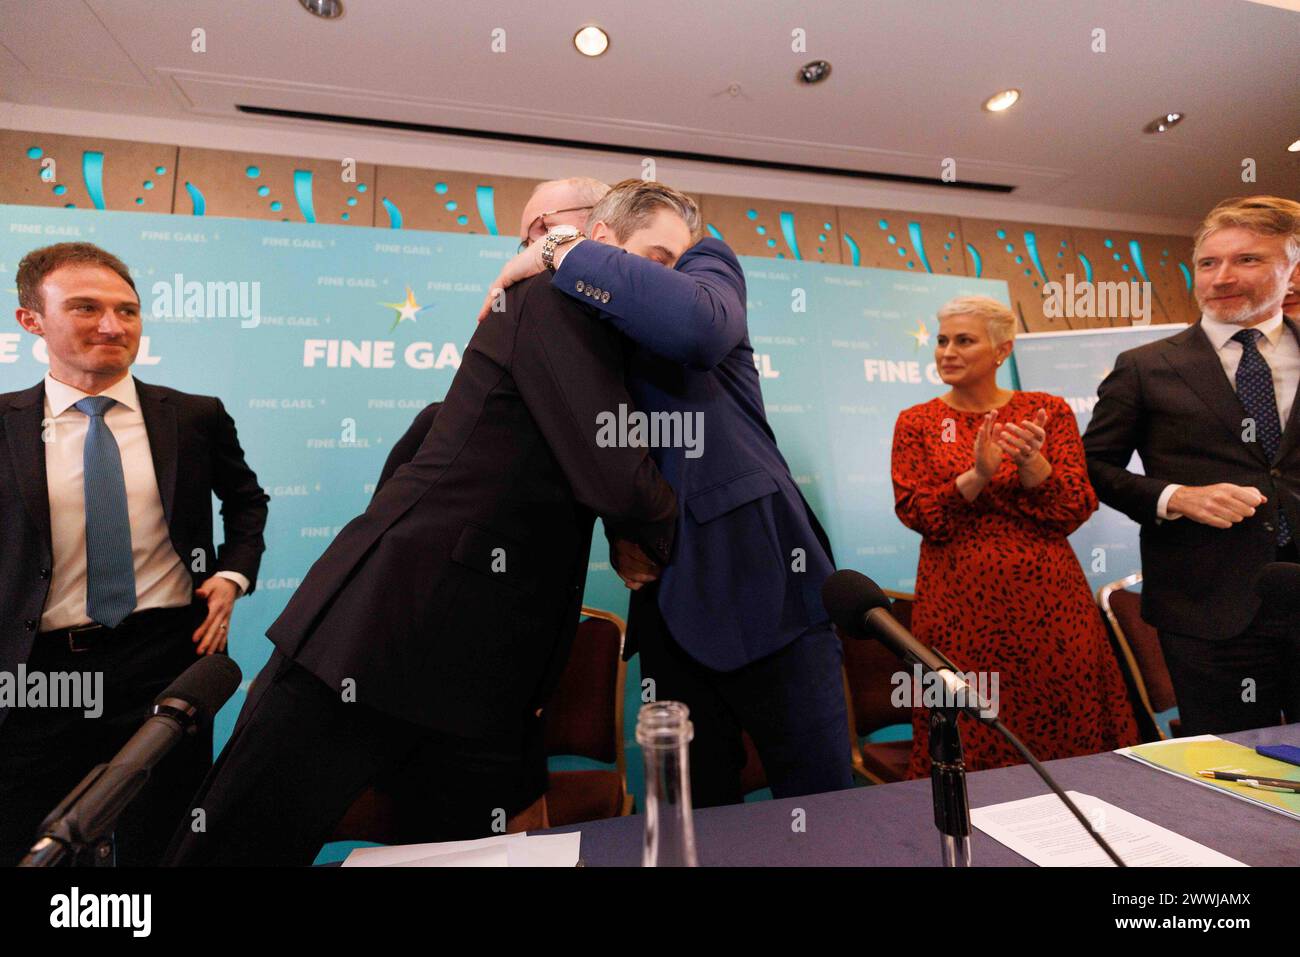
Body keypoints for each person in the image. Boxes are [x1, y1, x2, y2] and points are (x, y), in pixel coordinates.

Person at [164, 217, 679, 866]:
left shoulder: (597, 362)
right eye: (544, 234)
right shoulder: (547, 295)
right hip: (377, 646)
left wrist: (629, 527)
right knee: (234, 851)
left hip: (491, 684)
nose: (547, 242)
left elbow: (604, 473)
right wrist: (663, 531)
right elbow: (620, 479)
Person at [483, 179, 853, 807]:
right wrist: (622, 530)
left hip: (770, 583)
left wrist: (556, 249)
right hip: (666, 604)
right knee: (693, 819)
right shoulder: (572, 317)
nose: (672, 276)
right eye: (657, 261)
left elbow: (695, 326)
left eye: (672, 264)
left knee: (825, 812)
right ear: (607, 239)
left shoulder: (707, 263)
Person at [0, 242, 268, 865]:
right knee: (31, 841)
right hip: (40, 671)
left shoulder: (194, 416)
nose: (112, 326)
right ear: (31, 319)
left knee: (164, 836)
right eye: (85, 308)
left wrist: (232, 574)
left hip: (166, 659)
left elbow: (246, 502)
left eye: (128, 310)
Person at [892, 295, 1140, 775]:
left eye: (964, 340)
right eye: (942, 340)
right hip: (958, 611)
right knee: (972, 733)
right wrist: (978, 475)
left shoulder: (1047, 411)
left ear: (1002, 350)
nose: (947, 352)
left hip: (1051, 609)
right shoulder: (917, 422)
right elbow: (920, 515)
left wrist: (1031, 462)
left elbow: (1073, 508)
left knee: (1067, 728)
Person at [1083, 196, 1300, 735]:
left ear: (1291, 270)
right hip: (1205, 608)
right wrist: (1174, 497)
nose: (1221, 277)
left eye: (1246, 260)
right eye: (1208, 263)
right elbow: (1094, 465)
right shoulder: (1145, 367)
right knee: (1227, 763)